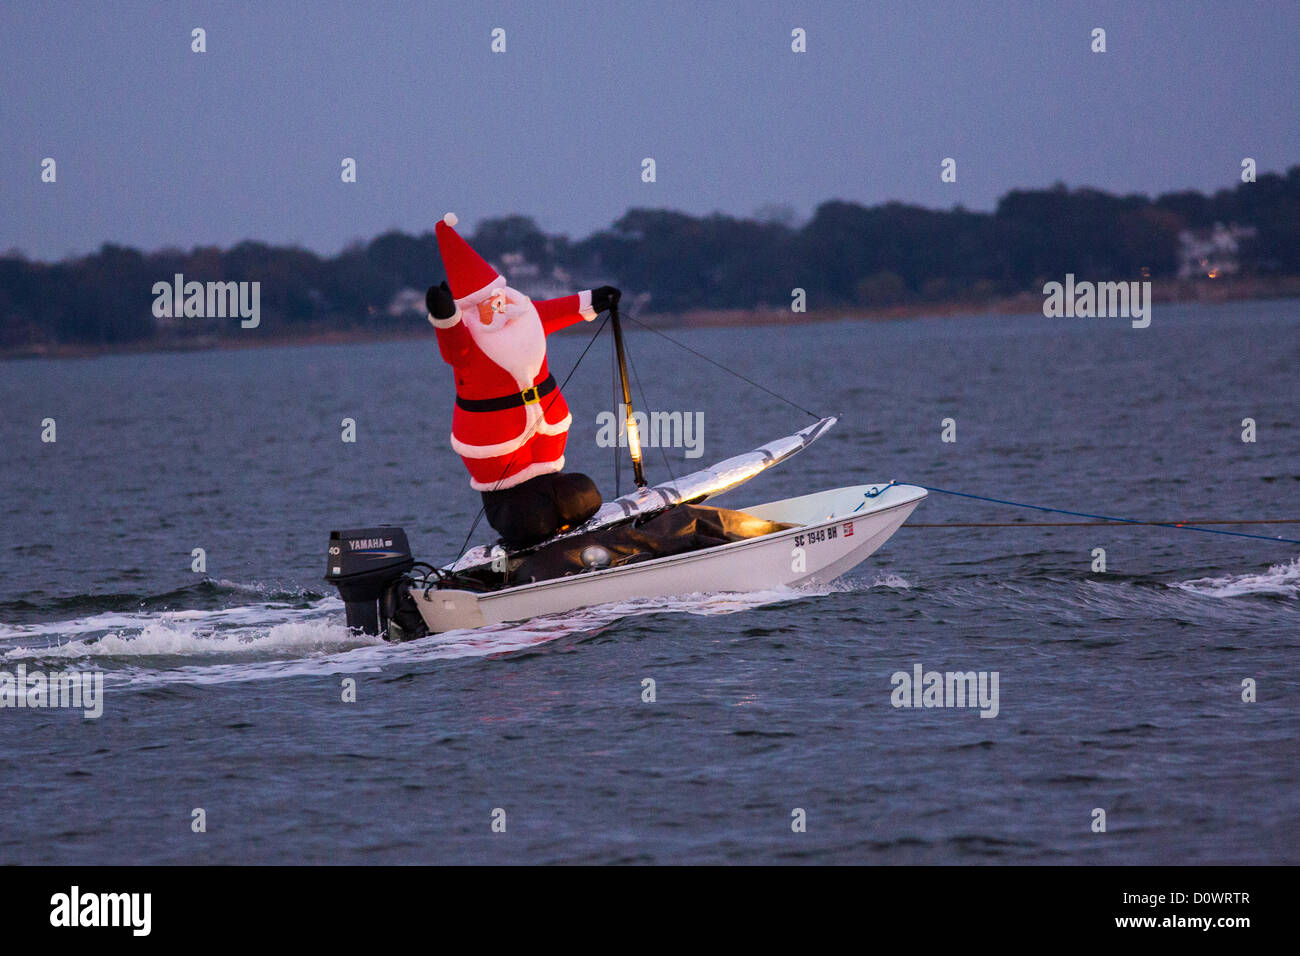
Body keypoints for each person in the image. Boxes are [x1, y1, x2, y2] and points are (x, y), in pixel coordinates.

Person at [425, 212, 621, 548]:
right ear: (469, 309)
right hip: (502, 463)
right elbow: (452, 343)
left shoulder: (526, 315)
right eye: (485, 303)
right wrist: (444, 318)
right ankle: (524, 529)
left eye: (496, 297)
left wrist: (594, 300)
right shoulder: (469, 339)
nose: (496, 307)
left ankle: (559, 503)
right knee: (530, 519)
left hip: (546, 447)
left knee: (582, 496)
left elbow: (561, 309)